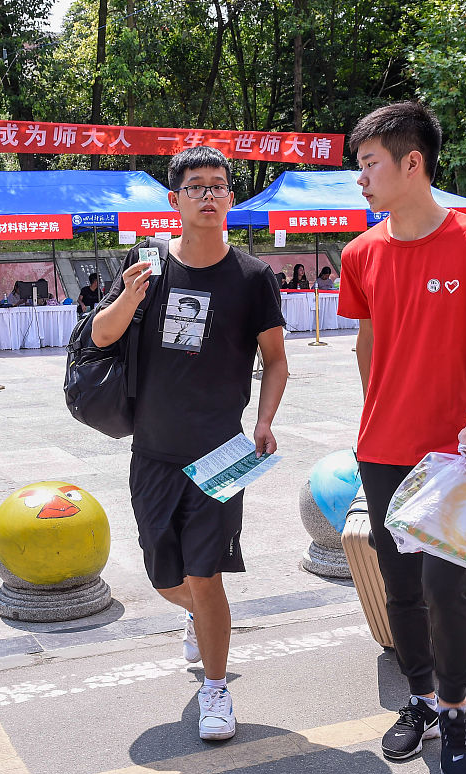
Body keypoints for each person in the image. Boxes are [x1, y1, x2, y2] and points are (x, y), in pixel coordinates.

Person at [339, 101, 466, 774]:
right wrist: (378, 408)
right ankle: (417, 698)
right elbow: (366, 342)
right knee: (402, 586)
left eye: (369, 164)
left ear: (410, 163)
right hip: (381, 448)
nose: (360, 179)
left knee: (447, 588)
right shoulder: (361, 253)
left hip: (452, 453)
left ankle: (453, 710)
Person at [91, 146, 288, 743]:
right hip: (152, 450)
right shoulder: (147, 265)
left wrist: (264, 419)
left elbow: (276, 360)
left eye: (220, 186)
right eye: (196, 186)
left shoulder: (253, 277)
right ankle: (202, 624)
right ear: (174, 201)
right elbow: (100, 337)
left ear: (231, 198)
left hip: (221, 454)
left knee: (206, 576)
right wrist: (130, 294)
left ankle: (217, 688)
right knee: (164, 577)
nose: (210, 195)